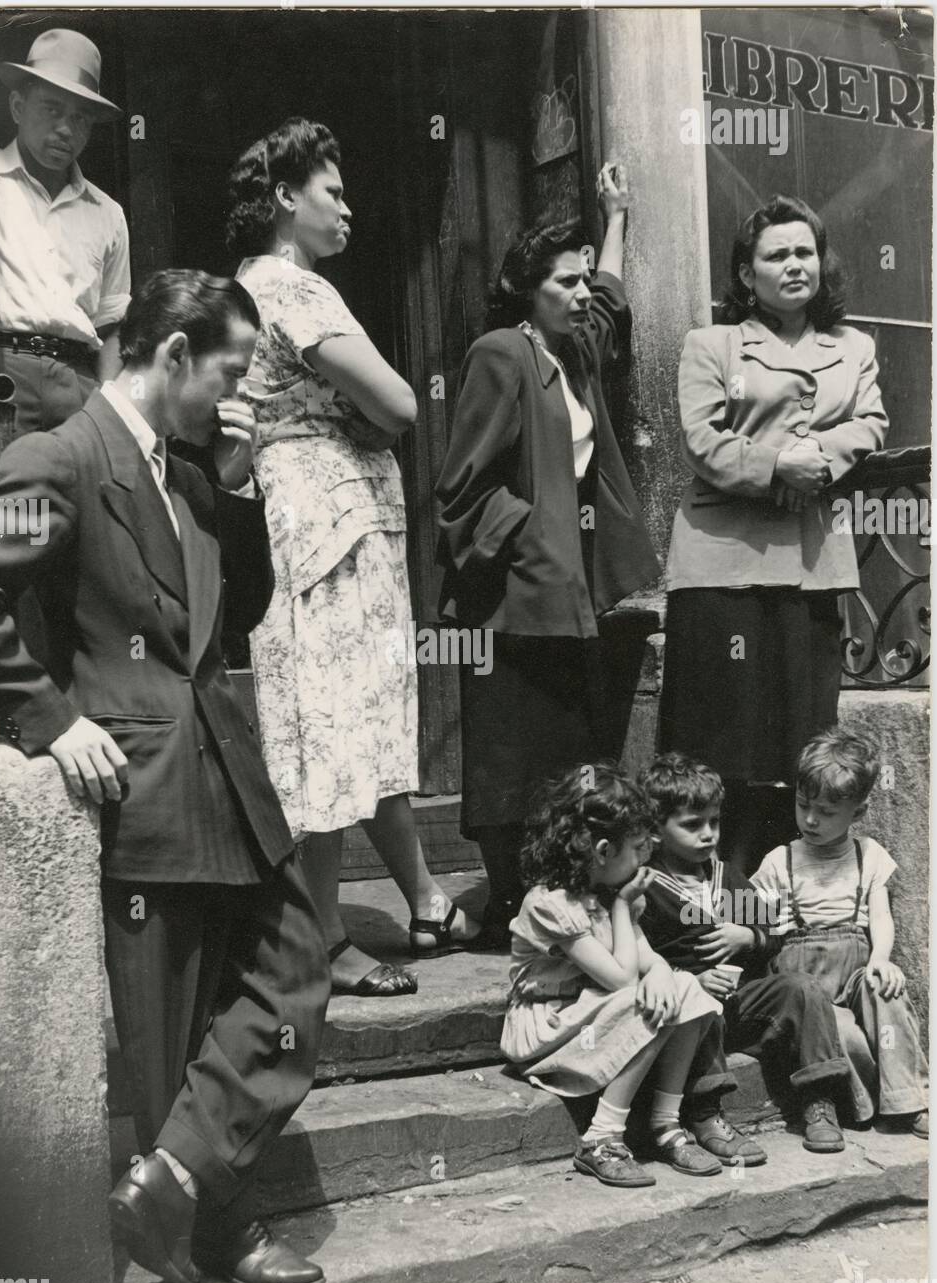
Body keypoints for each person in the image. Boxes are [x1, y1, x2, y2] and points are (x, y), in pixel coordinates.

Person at [0, 270, 331, 1283]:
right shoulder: (61, 455)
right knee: (169, 1034)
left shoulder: (196, 467)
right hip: (139, 780)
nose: (239, 396)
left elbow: (236, 613)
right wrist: (49, 716)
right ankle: (212, 1234)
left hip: (222, 774)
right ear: (170, 357)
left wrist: (241, 484)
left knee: (299, 961)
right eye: (230, 373)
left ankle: (167, 1179)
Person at [227, 117, 478, 996]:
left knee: (356, 715)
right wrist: (363, 418)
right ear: (286, 197)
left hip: (332, 513)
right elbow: (402, 403)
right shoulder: (291, 287)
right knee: (332, 721)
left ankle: (415, 897)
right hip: (323, 518)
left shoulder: (277, 287)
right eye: (331, 192)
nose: (348, 209)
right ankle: (324, 938)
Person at [436, 165, 661, 947]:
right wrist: (527, 530)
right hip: (511, 599)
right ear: (527, 289)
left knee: (563, 752)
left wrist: (617, 216)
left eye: (577, 282)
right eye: (561, 283)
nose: (577, 294)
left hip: (566, 595)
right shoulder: (501, 353)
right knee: (509, 755)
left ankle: (554, 903)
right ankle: (508, 908)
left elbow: (607, 299)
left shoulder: (572, 354)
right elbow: (460, 482)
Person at [658, 195, 889, 871]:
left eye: (804, 252)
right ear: (746, 272)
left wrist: (815, 460)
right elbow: (702, 441)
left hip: (812, 565)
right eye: (776, 254)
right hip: (721, 565)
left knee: (798, 745)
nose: (794, 265)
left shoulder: (855, 348)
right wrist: (773, 465)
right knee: (716, 744)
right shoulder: (712, 344)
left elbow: (871, 423)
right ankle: (700, 898)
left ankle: (778, 896)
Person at [501, 764, 724, 1188]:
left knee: (687, 988)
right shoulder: (553, 904)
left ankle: (664, 1122)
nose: (645, 857)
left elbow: (644, 958)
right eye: (639, 847)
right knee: (641, 1002)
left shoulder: (607, 892)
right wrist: (623, 908)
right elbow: (623, 981)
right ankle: (602, 1137)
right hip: (549, 1025)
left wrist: (661, 970)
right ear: (603, 851)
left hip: (594, 1011)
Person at [638, 753, 858, 1155]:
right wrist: (686, 979)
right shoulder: (647, 889)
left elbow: (772, 938)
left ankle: (820, 1099)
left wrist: (749, 938)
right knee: (699, 1003)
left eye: (715, 822)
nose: (708, 835)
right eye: (692, 825)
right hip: (683, 1017)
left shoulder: (724, 877)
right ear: (655, 830)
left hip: (739, 1006)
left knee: (802, 988)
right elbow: (633, 958)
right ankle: (706, 1112)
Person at [0, 28, 130, 442]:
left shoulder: (108, 214)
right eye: (52, 109)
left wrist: (107, 404)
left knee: (75, 504)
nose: (67, 129)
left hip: (80, 385)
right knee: (11, 507)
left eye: (80, 118)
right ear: (17, 106)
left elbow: (111, 326)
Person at [751, 729, 928, 1139]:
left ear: (858, 812)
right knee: (844, 1033)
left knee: (888, 995)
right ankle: (861, 1106)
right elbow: (753, 917)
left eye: (827, 812)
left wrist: (881, 960)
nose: (811, 819)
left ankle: (910, 1100)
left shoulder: (870, 855)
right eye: (803, 806)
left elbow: (881, 918)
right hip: (804, 986)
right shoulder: (781, 861)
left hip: (854, 973)